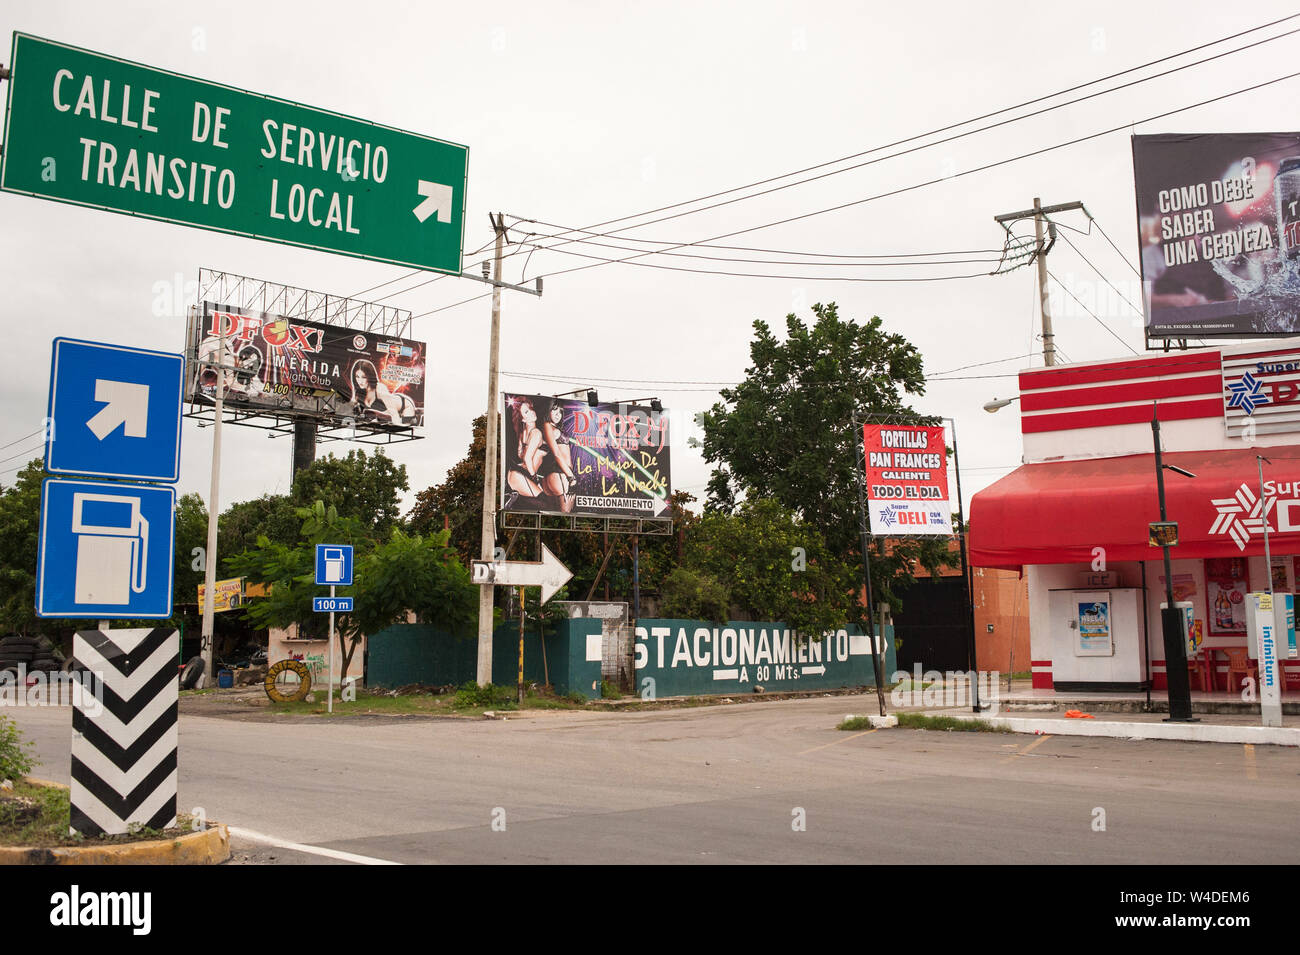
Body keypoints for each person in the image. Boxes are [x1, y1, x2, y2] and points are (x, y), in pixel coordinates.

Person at [537, 399, 576, 513]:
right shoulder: (547, 425)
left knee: (557, 517)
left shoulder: (552, 427)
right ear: (548, 411)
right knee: (566, 515)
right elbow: (557, 453)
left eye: (560, 411)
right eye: (554, 410)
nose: (558, 414)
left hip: (555, 476)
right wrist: (571, 476)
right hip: (559, 474)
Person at [350, 359, 415, 425]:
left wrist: (397, 424)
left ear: (369, 376)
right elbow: (351, 406)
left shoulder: (379, 388)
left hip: (405, 406)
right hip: (386, 413)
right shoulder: (359, 391)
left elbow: (393, 412)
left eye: (364, 377)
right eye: (357, 377)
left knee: (403, 429)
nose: (360, 381)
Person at [507, 399, 546, 500]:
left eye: (531, 408)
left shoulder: (522, 434)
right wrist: (536, 480)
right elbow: (527, 458)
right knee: (544, 501)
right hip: (523, 475)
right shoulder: (536, 433)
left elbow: (520, 455)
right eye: (526, 412)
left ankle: (512, 498)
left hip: (515, 474)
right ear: (523, 419)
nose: (532, 412)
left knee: (536, 503)